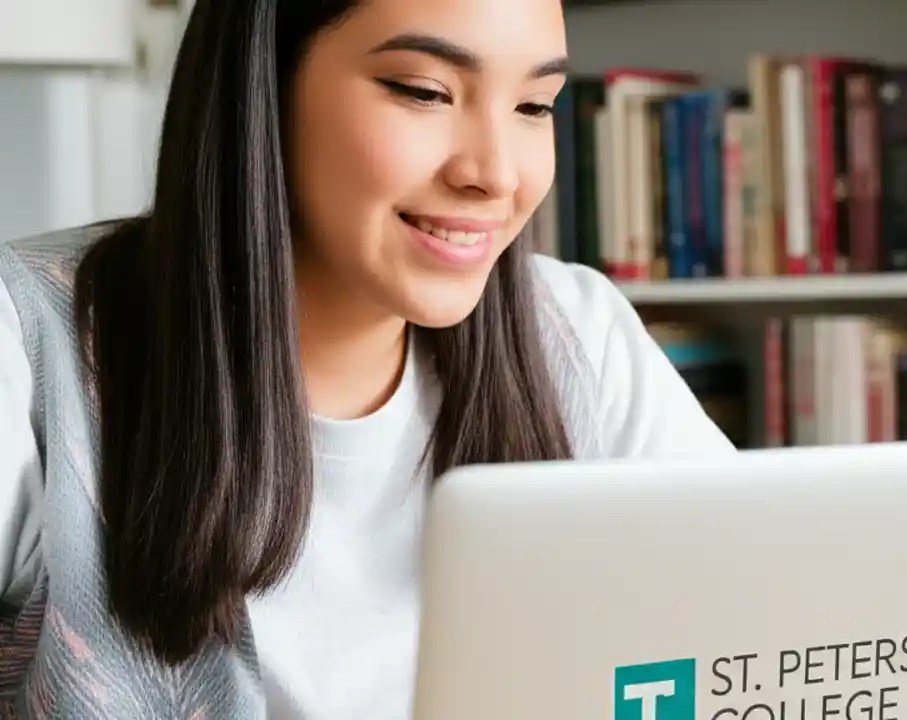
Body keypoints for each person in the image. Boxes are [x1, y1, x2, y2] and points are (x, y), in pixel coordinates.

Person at [0, 0, 734, 717]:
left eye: (535, 106)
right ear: (264, 84)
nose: (496, 174)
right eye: (425, 92)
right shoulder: (27, 346)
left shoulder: (575, 335)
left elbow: (749, 638)